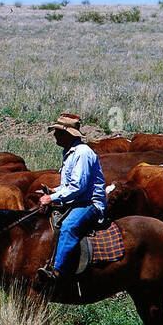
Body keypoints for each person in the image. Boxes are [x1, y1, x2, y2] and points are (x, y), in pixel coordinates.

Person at [36, 112, 107, 286]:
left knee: (68, 227)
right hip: (77, 200)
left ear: (67, 134)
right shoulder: (68, 152)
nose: (54, 135)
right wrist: (55, 191)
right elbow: (70, 185)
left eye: (58, 132)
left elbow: (78, 187)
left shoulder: (82, 153)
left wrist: (51, 197)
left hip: (89, 203)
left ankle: (58, 271)